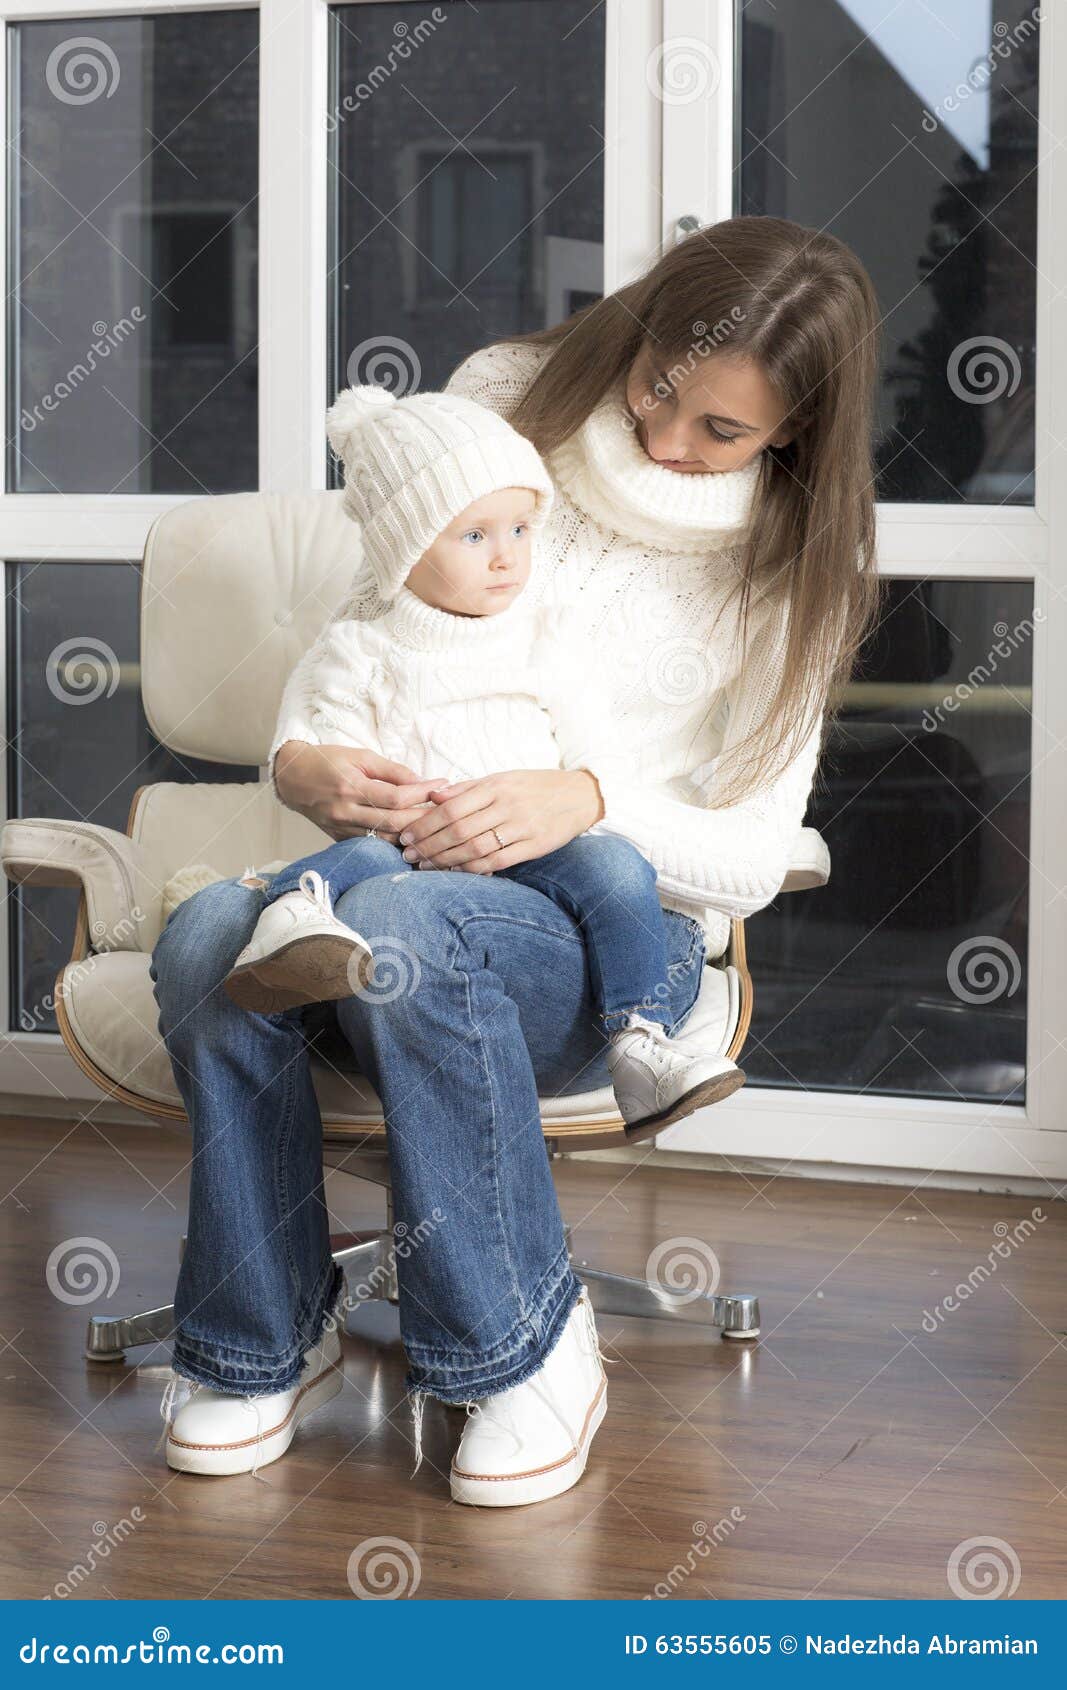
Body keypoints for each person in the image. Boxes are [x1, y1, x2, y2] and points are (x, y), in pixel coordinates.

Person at [150, 215, 882, 1507]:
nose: (664, 438)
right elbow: (366, 624)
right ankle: (262, 1332)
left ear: (792, 437)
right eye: (658, 387)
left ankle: (524, 1345)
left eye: (719, 431)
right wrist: (298, 768)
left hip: (590, 936)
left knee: (426, 931)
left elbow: (755, 854)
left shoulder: (788, 562)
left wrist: (586, 797)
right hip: (391, 885)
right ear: (638, 324)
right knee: (211, 931)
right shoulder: (505, 394)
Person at [224, 382, 745, 1142]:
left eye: (521, 528)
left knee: (617, 869)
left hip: (538, 862)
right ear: (404, 553)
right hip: (413, 852)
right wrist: (357, 783)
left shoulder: (545, 636)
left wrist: (581, 792)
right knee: (365, 858)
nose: (506, 558)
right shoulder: (361, 650)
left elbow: (595, 756)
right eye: (473, 537)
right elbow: (335, 758)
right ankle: (292, 911)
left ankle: (642, 1040)